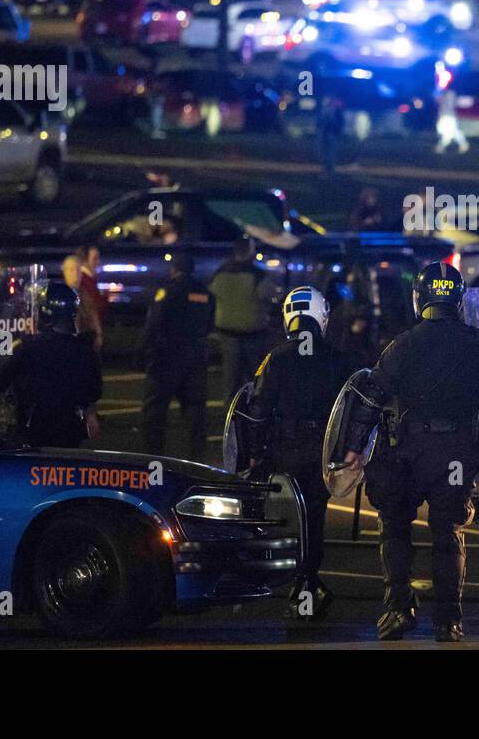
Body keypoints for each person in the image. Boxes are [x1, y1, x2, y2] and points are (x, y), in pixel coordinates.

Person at [345, 262, 479, 642]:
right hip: (456, 453)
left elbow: (371, 396)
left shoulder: (404, 343)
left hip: (407, 450)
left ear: (419, 298)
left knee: (395, 526)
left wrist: (354, 447)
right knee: (448, 532)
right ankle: (447, 621)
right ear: (457, 300)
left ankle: (397, 609)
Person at [248, 287, 357, 619]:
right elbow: (352, 408)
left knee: (289, 519)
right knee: (315, 516)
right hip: (323, 453)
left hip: (285, 450)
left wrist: (253, 453)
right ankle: (308, 583)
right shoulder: (338, 359)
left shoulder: (276, 358)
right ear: (322, 317)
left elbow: (258, 409)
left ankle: (298, 583)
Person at [0, 281, 102, 448]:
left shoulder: (27, 347)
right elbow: (94, 390)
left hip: (32, 431)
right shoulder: (85, 349)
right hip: (70, 432)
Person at [140, 254, 216, 460]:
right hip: (195, 358)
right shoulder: (205, 294)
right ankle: (198, 458)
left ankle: (153, 458)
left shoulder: (168, 291)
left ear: (174, 269)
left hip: (167, 357)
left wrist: (144, 352)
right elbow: (209, 325)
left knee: (155, 410)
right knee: (195, 411)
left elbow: (154, 323)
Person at [210, 236, 277, 401]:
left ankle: (230, 414)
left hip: (227, 333)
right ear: (250, 251)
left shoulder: (220, 273)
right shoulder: (258, 275)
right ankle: (255, 412)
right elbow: (269, 297)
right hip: (253, 332)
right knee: (255, 376)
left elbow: (213, 295)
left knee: (231, 378)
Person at [62, 254, 103, 351]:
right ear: (65, 272)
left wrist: (98, 334)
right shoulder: (59, 295)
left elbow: (93, 316)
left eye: (78, 270)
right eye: (71, 270)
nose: (75, 274)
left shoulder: (86, 295)